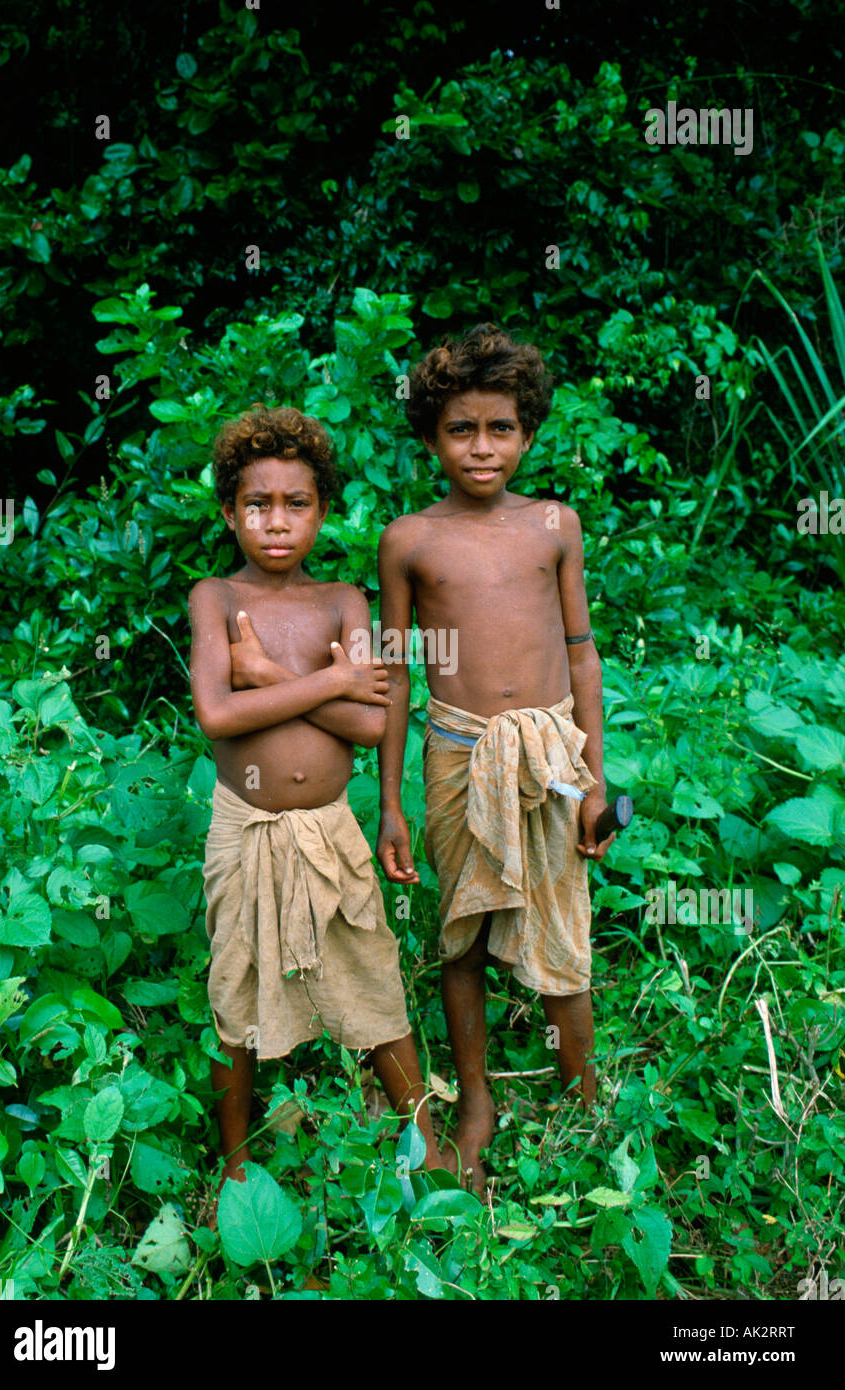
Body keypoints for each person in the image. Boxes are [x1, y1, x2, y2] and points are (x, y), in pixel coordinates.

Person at [376, 324, 615, 1196]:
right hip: (456, 755)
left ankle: (579, 1090)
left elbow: (581, 651)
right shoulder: (410, 539)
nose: (482, 448)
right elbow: (395, 674)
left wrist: (594, 781)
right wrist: (392, 803)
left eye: (501, 428)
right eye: (461, 430)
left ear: (528, 431)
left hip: (550, 756)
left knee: (560, 931)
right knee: (464, 935)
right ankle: (474, 1100)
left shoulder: (554, 525)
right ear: (432, 436)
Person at [188, 402, 441, 1206]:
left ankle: (425, 1140)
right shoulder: (215, 598)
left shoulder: (341, 601)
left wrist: (269, 676)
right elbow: (216, 716)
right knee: (235, 983)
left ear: (323, 512)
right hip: (247, 826)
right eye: (257, 504)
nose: (275, 522)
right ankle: (236, 1164)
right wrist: (329, 682)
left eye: (296, 504)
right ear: (229, 511)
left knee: (370, 971)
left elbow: (372, 724)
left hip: (330, 830)